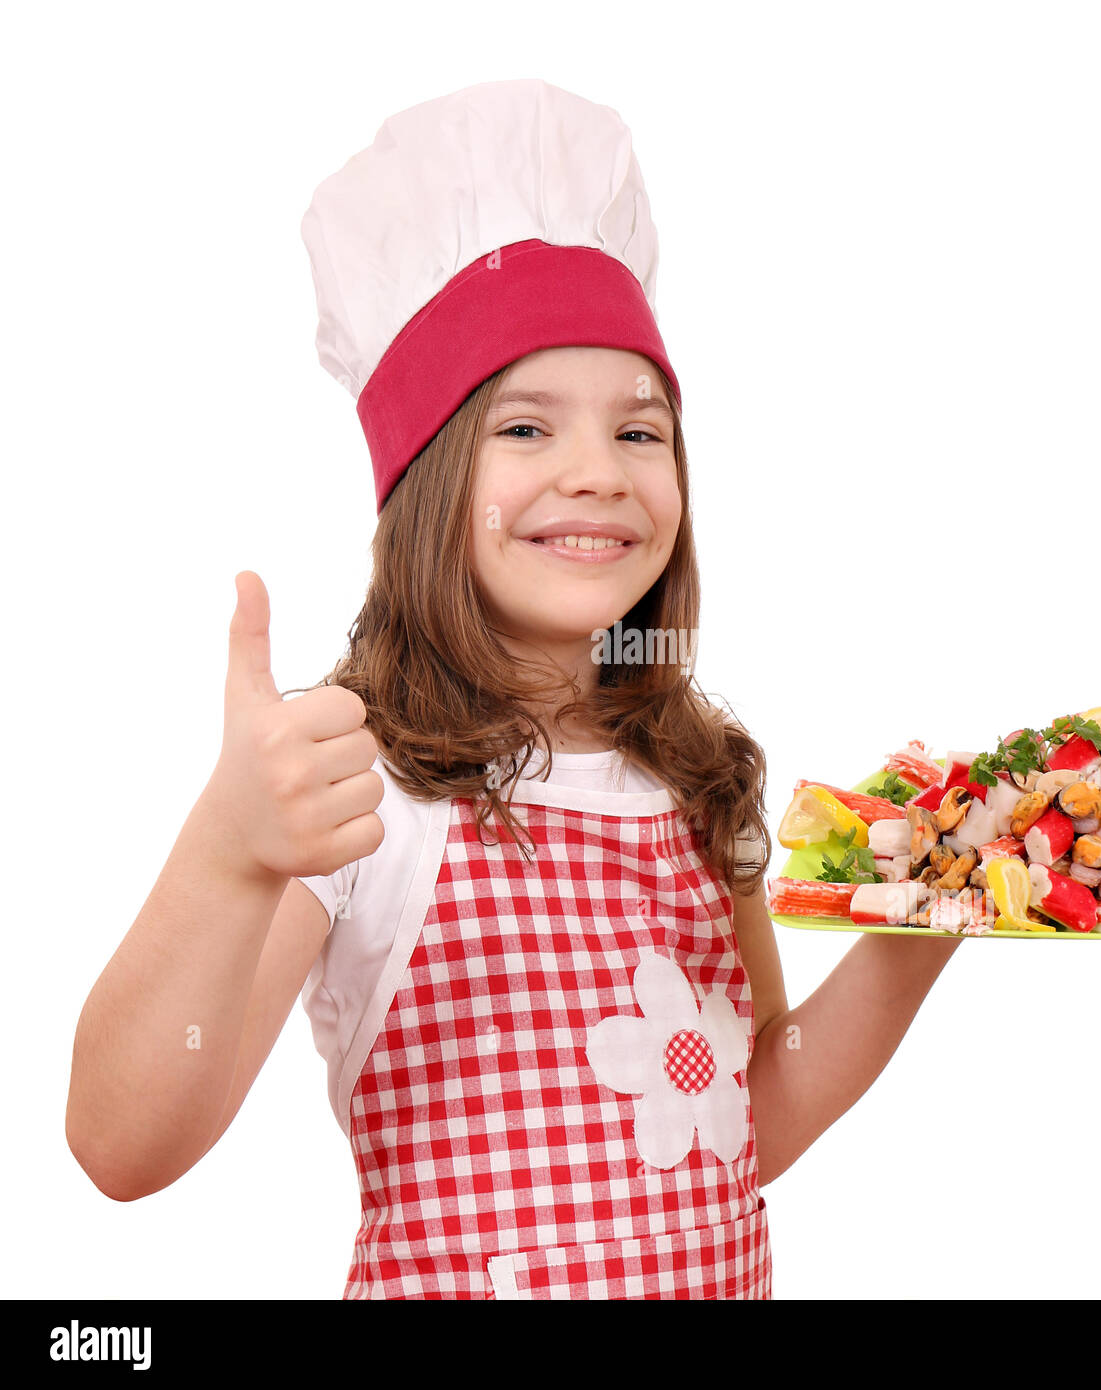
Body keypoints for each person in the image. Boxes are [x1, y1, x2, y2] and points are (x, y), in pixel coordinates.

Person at [66, 78, 961, 1299]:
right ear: (429, 482)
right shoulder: (358, 788)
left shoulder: (703, 779)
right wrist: (229, 854)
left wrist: (923, 921)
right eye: (529, 429)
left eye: (641, 432)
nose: (598, 470)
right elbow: (123, 1147)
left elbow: (746, 1117)